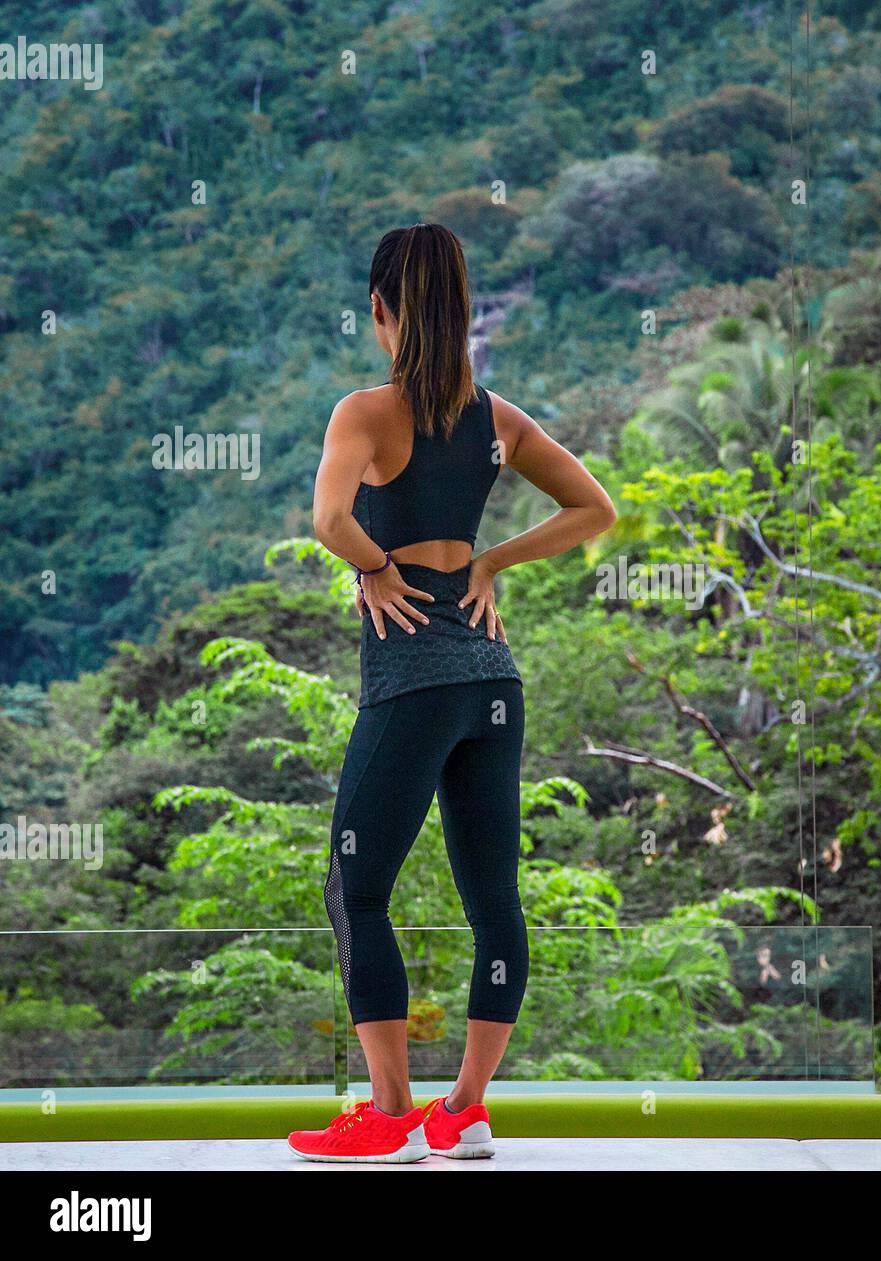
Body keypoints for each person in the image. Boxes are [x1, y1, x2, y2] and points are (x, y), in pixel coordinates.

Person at [288, 223, 615, 1162]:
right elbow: (595, 506)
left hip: (416, 678)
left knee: (357, 888)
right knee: (493, 901)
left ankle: (389, 1111)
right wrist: (493, 560)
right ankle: (464, 1108)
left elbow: (327, 517)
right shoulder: (496, 418)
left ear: (384, 310)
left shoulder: (365, 411)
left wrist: (374, 566)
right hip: (493, 682)